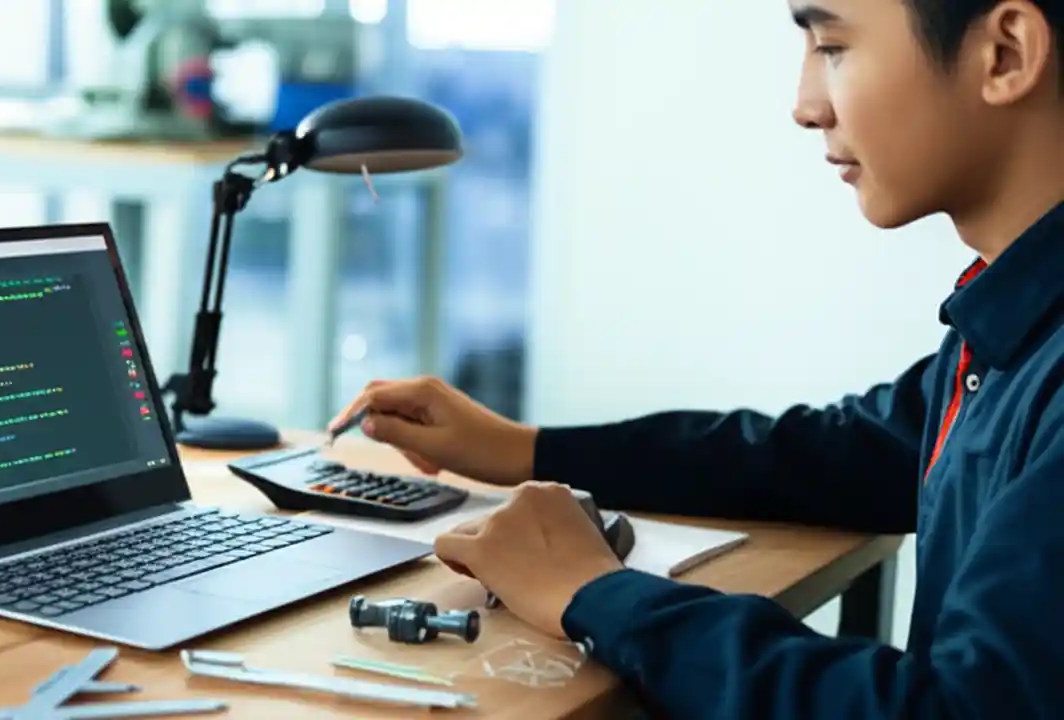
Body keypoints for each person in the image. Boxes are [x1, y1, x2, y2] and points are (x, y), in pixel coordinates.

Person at [326, 0, 1064, 716]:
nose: (806, 105)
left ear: (1004, 55)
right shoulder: (1010, 328)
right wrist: (520, 448)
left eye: (833, 46)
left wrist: (596, 593)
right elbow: (837, 453)